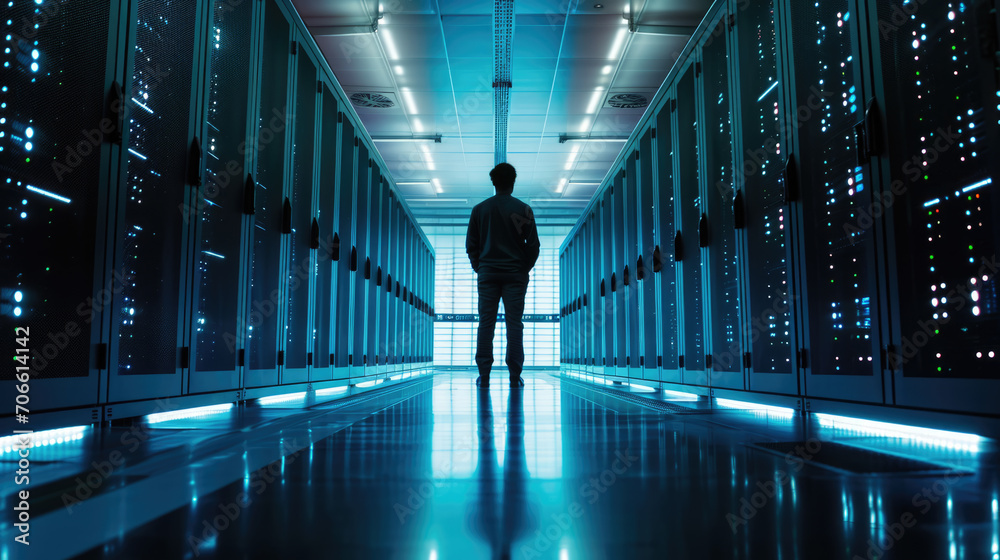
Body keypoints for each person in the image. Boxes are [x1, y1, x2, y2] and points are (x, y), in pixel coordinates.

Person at [465, 163, 540, 389]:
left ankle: (484, 375)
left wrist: (481, 267)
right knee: (514, 324)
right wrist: (522, 269)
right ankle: (515, 376)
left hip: (488, 274)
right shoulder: (524, 209)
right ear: (513, 182)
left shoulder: (479, 210)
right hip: (515, 275)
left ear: (493, 182)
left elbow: (471, 245)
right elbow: (534, 246)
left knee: (486, 324)